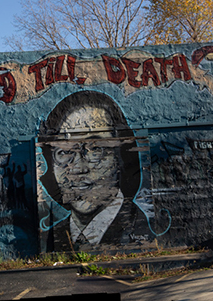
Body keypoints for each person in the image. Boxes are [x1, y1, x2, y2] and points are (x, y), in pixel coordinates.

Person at [37, 91, 149, 252]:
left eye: (95, 149)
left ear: (121, 156)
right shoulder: (52, 240)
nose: (79, 168)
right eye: (64, 152)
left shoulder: (140, 231)